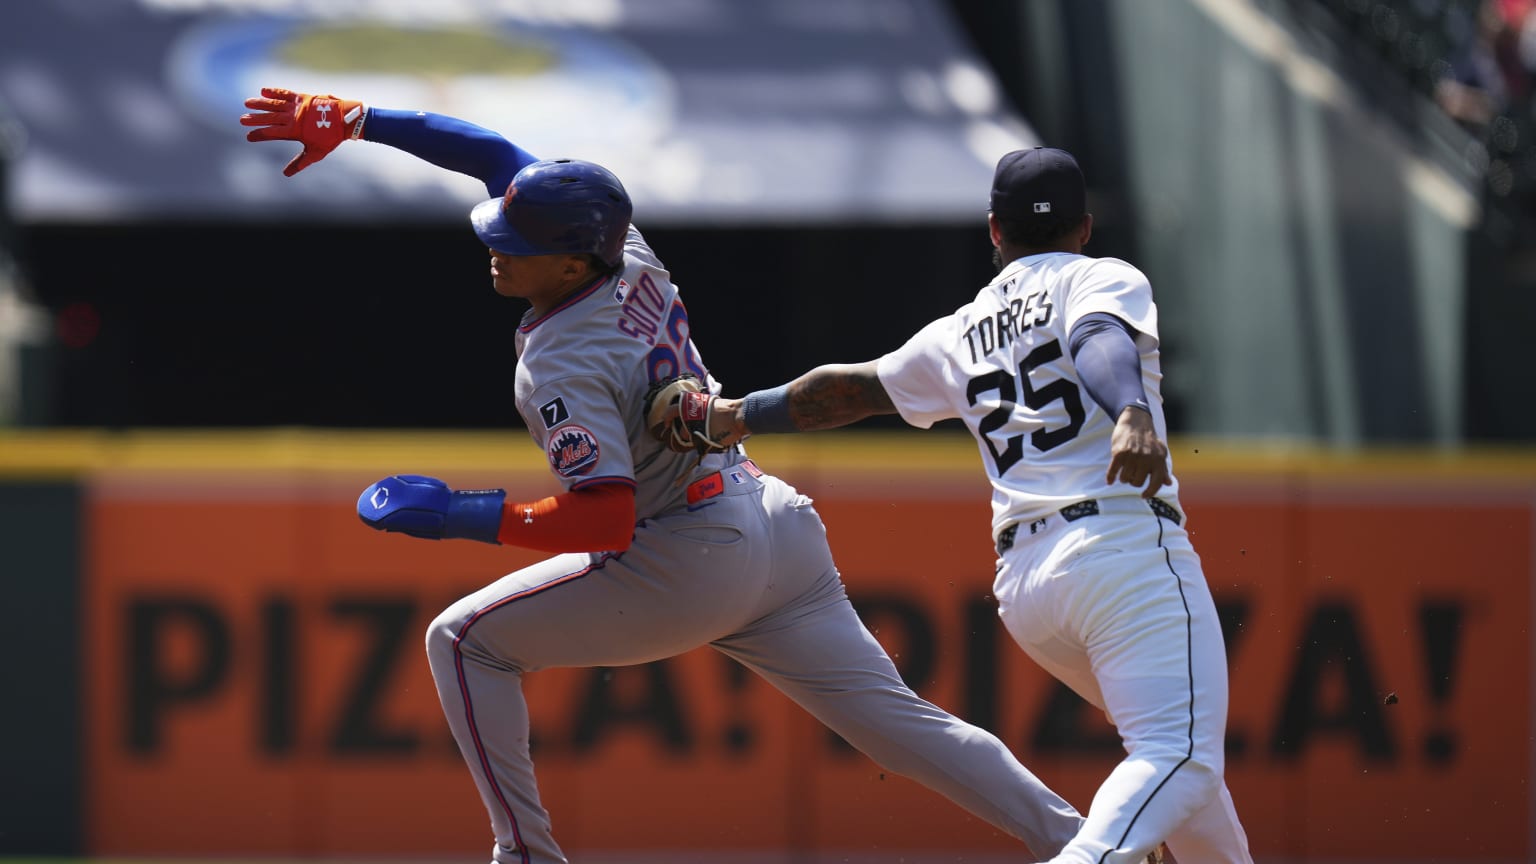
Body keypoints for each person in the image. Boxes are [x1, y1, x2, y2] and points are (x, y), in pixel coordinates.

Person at [239, 87, 1089, 864]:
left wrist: (461, 513)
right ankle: (1091, 846)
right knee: (908, 731)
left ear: (570, 265)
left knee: (460, 642)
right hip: (771, 522)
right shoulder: (623, 248)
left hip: (683, 556)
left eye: (514, 243)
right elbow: (495, 154)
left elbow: (603, 522)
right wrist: (360, 121)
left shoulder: (562, 360)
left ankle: (526, 858)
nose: (494, 248)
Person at [662, 147, 1251, 864]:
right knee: (1181, 757)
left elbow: (846, 390)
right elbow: (1098, 338)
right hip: (1121, 552)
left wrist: (734, 416)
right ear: (1085, 228)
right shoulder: (1101, 277)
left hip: (1032, 589)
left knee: (1176, 770)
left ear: (995, 230)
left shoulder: (962, 331)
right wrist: (1130, 407)